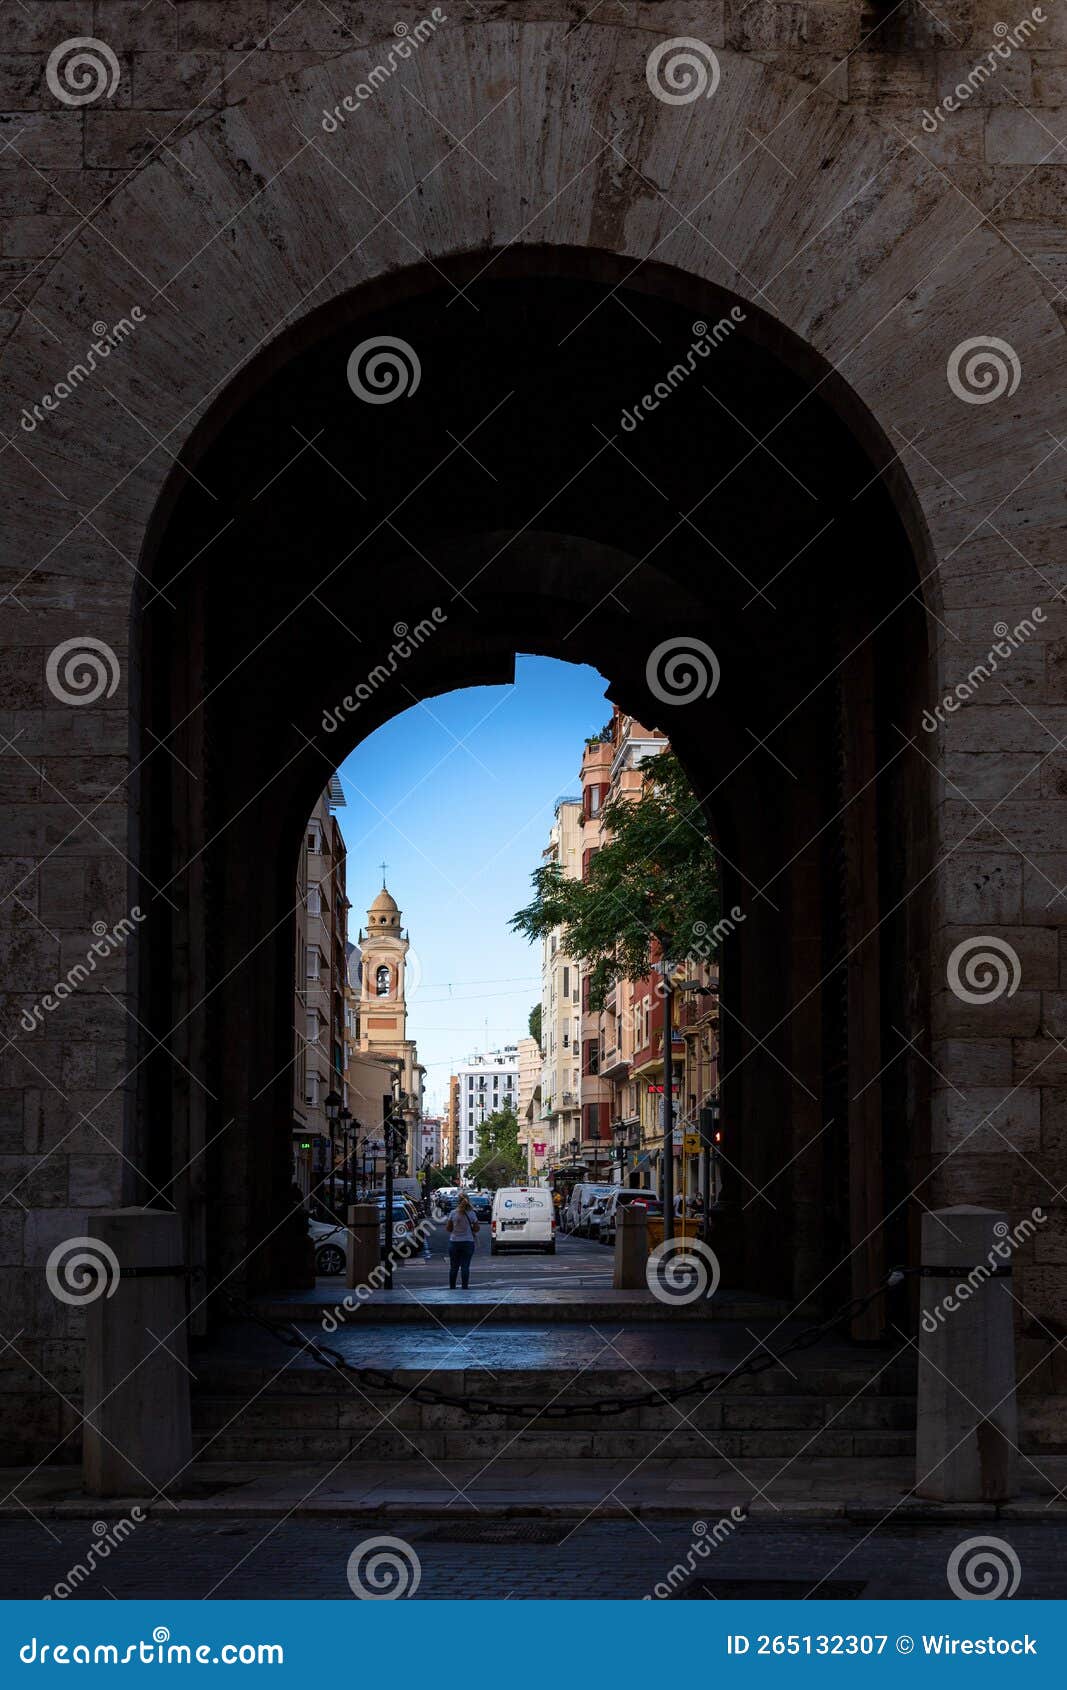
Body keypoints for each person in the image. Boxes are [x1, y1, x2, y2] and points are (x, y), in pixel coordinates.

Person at [445, 1192, 479, 1288]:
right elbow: (477, 1229)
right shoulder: (472, 1213)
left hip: (454, 1242)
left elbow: (448, 1229)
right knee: (465, 1266)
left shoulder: (453, 1213)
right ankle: (465, 1286)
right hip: (468, 1242)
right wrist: (471, 1227)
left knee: (454, 1267)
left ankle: (452, 1287)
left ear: (457, 1202)